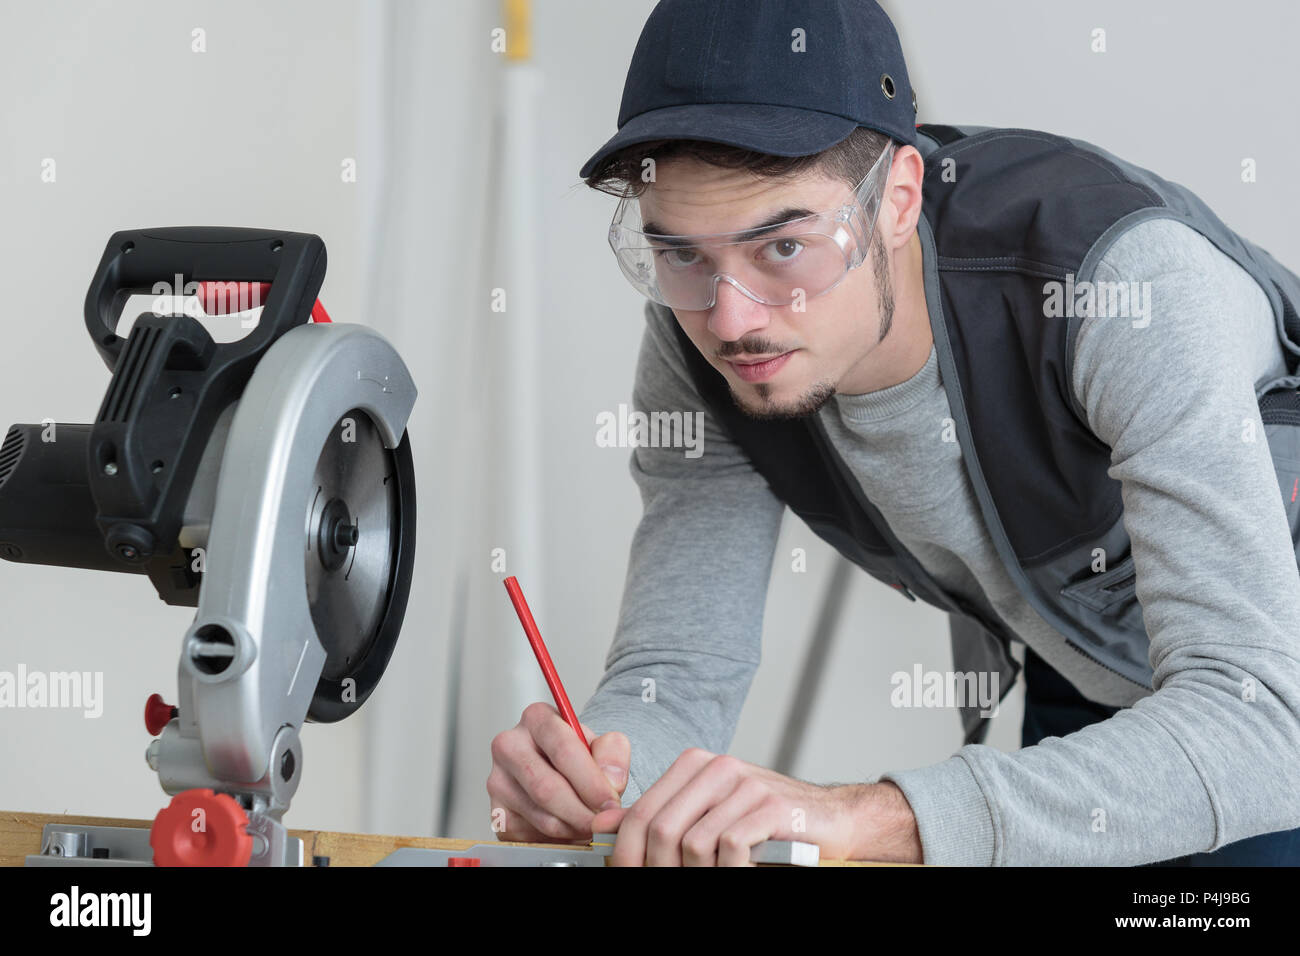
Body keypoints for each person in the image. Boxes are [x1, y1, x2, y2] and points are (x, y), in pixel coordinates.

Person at [488, 0, 1300, 866]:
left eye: (783, 247)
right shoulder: (702, 345)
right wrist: (601, 777)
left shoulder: (1124, 290)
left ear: (899, 198)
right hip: (1090, 662)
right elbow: (678, 670)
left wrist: (873, 817)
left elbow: (1261, 727)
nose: (730, 319)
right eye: (682, 253)